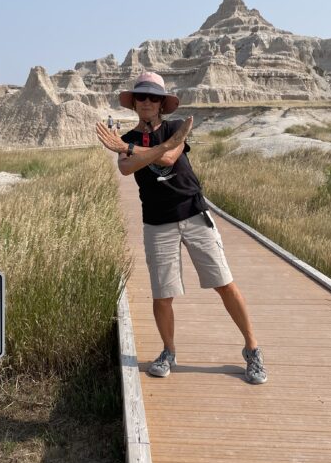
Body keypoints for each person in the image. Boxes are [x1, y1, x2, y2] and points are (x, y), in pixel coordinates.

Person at [96, 71, 267, 384]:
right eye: (142, 97)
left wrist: (134, 149)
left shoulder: (174, 128)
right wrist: (136, 150)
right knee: (163, 293)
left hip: (192, 212)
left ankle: (253, 349)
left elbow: (171, 158)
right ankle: (169, 351)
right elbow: (125, 168)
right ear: (134, 103)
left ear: (162, 104)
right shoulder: (131, 138)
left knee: (224, 282)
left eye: (154, 97)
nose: (147, 102)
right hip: (157, 222)